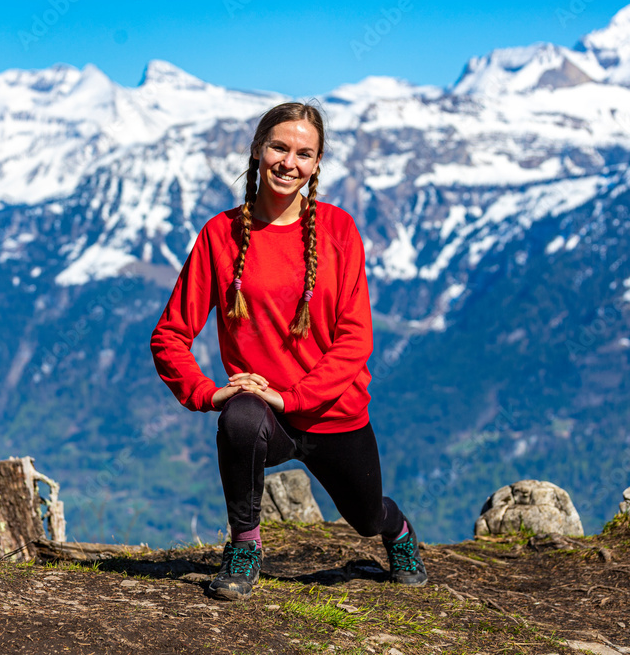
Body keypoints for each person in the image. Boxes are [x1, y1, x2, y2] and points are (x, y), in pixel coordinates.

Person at [149, 101, 428, 601]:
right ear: (258, 150)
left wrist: (290, 397)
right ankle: (245, 546)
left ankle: (397, 529)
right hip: (265, 415)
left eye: (304, 153)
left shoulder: (340, 232)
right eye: (279, 147)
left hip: (334, 411)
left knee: (365, 517)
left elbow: (355, 340)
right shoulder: (220, 235)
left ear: (317, 164)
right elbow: (170, 334)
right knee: (238, 418)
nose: (289, 162)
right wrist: (208, 393)